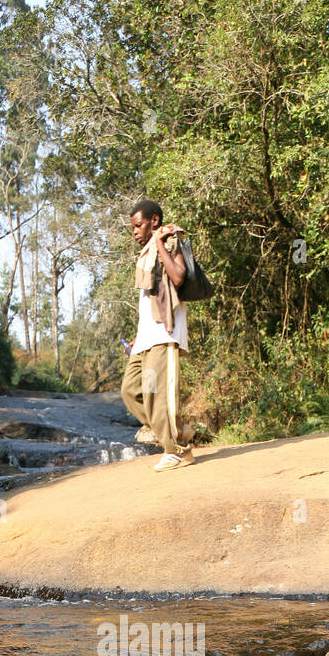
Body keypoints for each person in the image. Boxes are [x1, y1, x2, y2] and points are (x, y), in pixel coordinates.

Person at [120, 198, 195, 472]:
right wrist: (137, 339)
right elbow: (147, 302)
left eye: (139, 225)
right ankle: (179, 432)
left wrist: (161, 242)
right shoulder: (145, 254)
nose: (136, 231)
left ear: (154, 221)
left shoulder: (170, 241)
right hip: (146, 337)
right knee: (130, 390)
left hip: (165, 333)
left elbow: (178, 277)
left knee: (158, 395)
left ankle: (176, 450)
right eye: (133, 228)